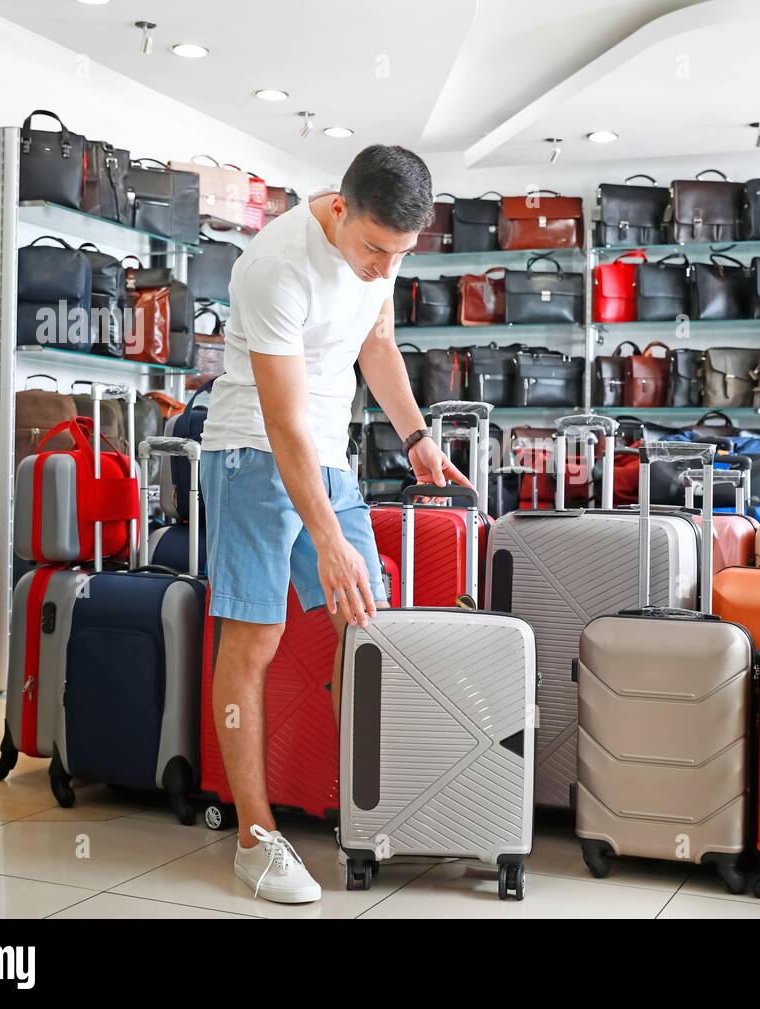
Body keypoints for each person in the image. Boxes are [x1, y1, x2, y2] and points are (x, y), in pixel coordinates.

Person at [198, 145, 470, 902]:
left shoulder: (382, 246)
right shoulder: (274, 266)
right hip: (252, 451)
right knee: (255, 640)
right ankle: (255, 839)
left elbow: (376, 343)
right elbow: (284, 423)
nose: (385, 268)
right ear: (339, 209)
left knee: (369, 627)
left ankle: (374, 806)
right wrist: (327, 541)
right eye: (376, 250)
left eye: (401, 254)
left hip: (331, 457)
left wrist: (417, 441)